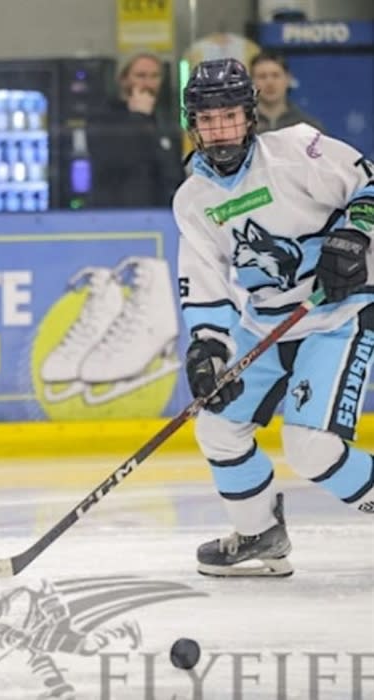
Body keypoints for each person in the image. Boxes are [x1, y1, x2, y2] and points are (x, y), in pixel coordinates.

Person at [175, 58, 374, 578]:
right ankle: (259, 533)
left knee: (312, 447)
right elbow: (206, 282)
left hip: (341, 308)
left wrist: (355, 235)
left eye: (229, 116)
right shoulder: (193, 200)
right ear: (192, 123)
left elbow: (370, 186)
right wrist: (208, 349)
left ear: (250, 115)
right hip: (268, 320)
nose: (219, 129)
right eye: (207, 118)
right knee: (217, 426)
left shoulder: (298, 151)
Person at [86, 52, 184, 208]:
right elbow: (115, 161)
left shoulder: (165, 120)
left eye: (155, 76)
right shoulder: (103, 117)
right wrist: (139, 117)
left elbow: (173, 170)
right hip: (115, 211)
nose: (148, 83)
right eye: (140, 76)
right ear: (124, 79)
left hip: (159, 211)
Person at [249, 51, 324, 135]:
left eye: (275, 75)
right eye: (262, 76)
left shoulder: (308, 127)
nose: (269, 82)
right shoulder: (242, 126)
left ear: (288, 79)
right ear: (251, 82)